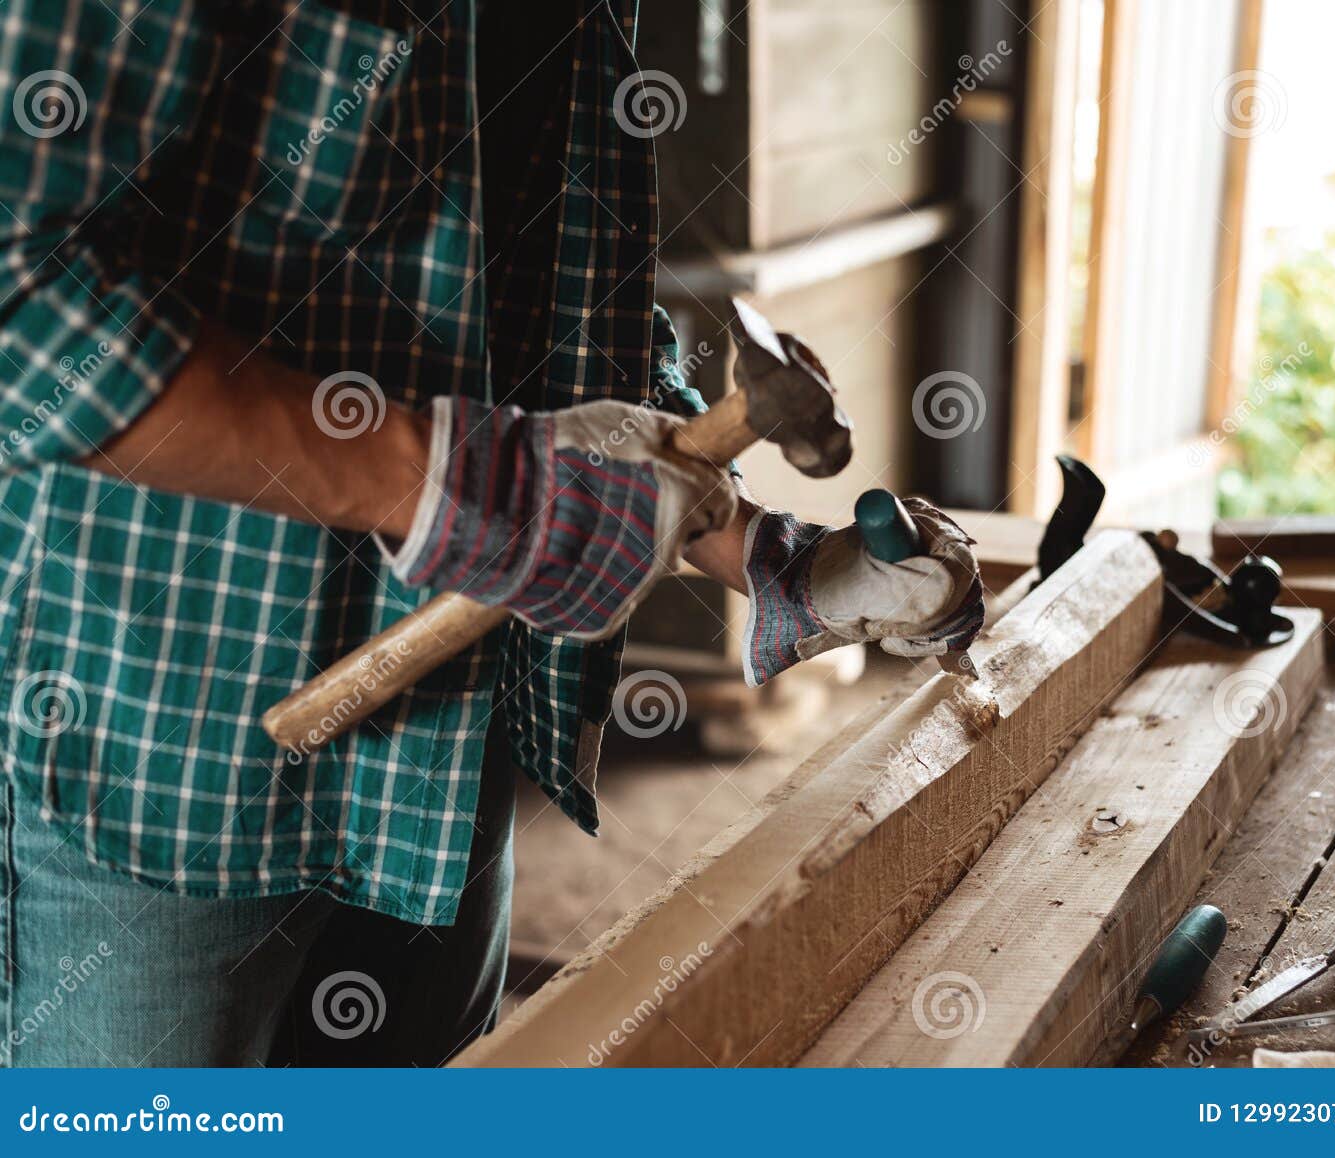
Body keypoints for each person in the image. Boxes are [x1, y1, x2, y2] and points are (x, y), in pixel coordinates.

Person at [0, 0, 982, 1066]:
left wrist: (767, 556)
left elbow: (561, 305)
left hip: (449, 751)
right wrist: (472, 489)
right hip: (166, 754)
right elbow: (21, 302)